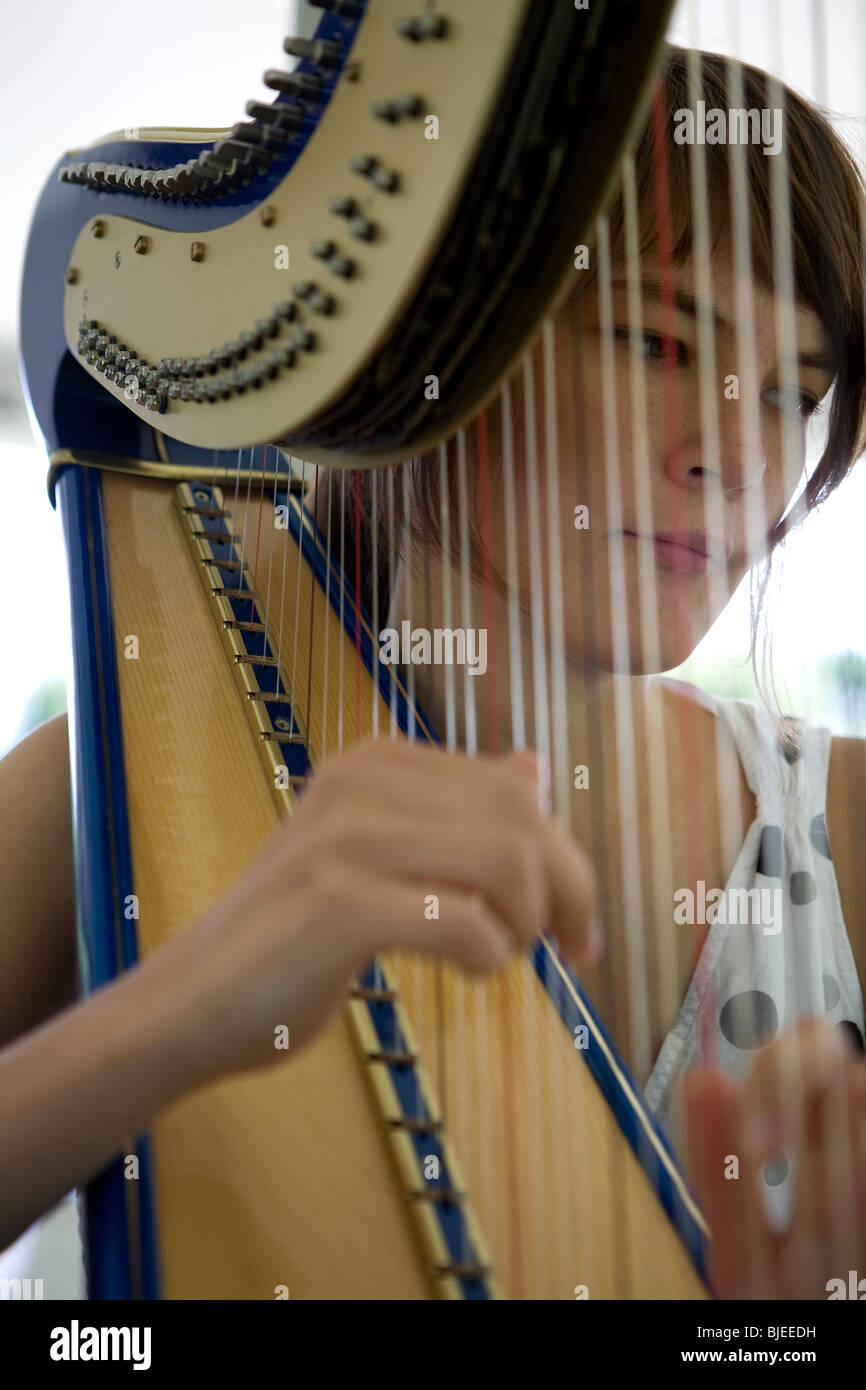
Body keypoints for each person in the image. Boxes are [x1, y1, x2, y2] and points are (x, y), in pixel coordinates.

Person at [2, 45, 865, 1301]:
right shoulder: (107, 776)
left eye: (794, 391)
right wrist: (181, 1007)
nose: (737, 456)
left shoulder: (841, 828)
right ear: (441, 344)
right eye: (658, 342)